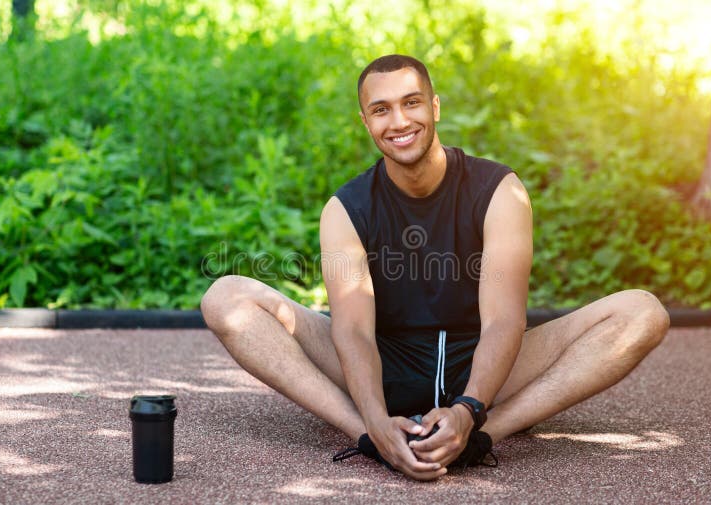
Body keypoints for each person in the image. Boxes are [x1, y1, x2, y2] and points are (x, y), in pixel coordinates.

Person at [200, 54, 670, 481]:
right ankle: (371, 435)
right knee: (227, 298)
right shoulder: (345, 209)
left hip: (484, 366)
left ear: (435, 107)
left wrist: (470, 409)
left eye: (411, 103)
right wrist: (373, 420)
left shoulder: (499, 190)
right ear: (365, 121)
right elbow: (354, 331)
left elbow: (504, 321)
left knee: (642, 312)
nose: (399, 121)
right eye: (381, 109)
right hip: (386, 365)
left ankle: (482, 436)